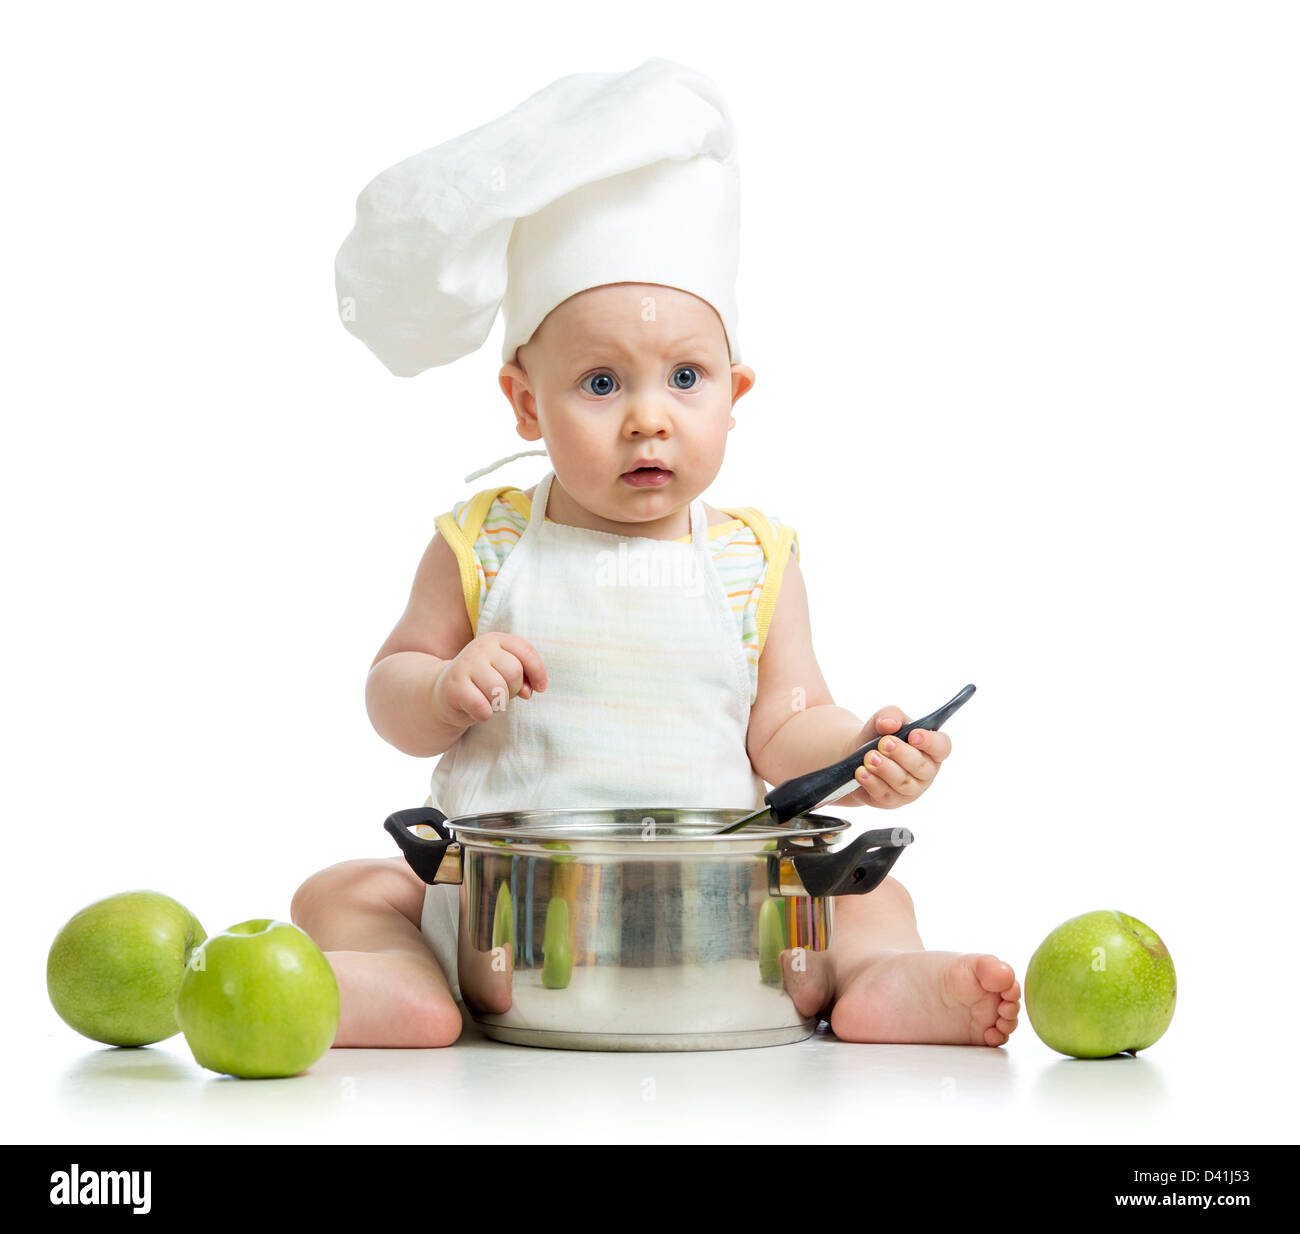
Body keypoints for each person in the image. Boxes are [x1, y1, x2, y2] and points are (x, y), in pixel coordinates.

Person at [292, 58, 1020, 1050]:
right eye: (599, 382)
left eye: (684, 376)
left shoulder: (753, 560)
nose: (647, 419)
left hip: (725, 908)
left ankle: (886, 981)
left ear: (735, 391)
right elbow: (391, 690)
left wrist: (860, 751)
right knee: (349, 888)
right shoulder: (485, 543)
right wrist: (441, 685)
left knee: (870, 896)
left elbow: (784, 729)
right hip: (505, 914)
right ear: (522, 402)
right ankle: (401, 984)